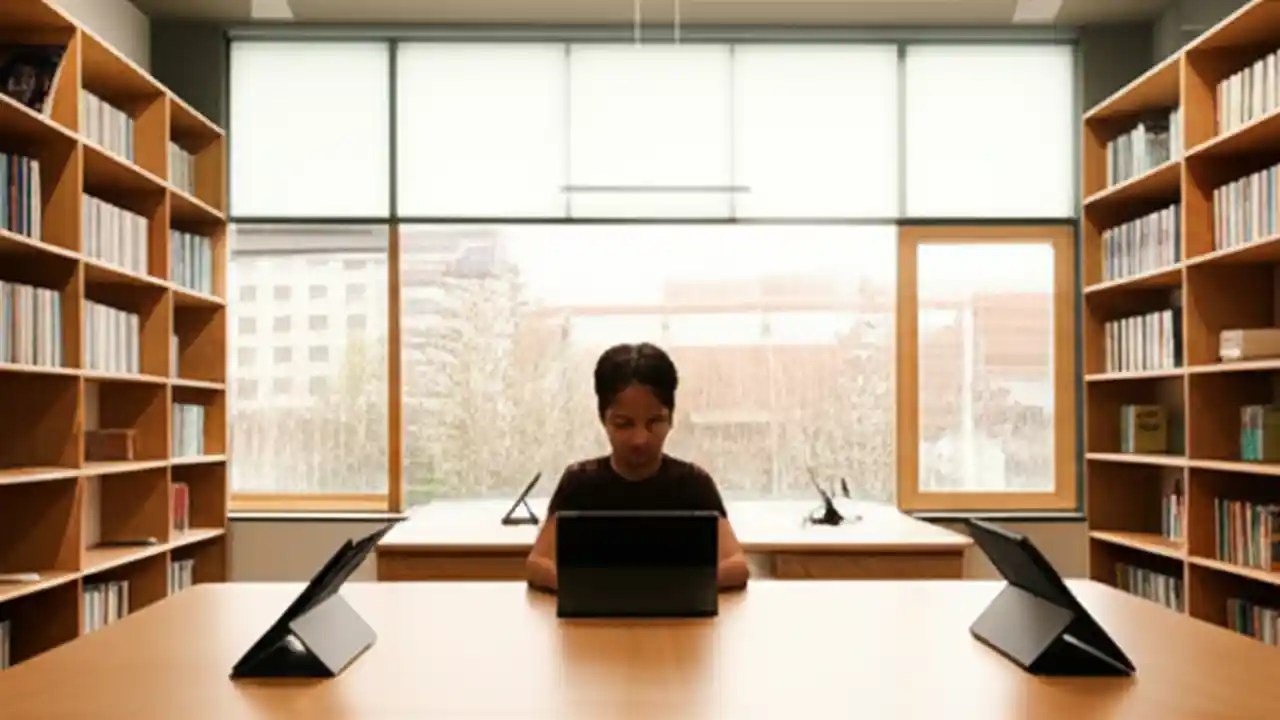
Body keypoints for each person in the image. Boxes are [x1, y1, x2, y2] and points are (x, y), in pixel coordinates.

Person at [526, 342, 750, 593]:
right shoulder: (579, 483)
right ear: (603, 419)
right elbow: (538, 564)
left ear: (671, 418)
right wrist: (598, 589)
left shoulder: (692, 484)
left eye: (654, 422)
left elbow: (736, 565)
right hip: (597, 615)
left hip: (675, 616)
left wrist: (664, 587)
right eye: (624, 424)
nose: (640, 439)